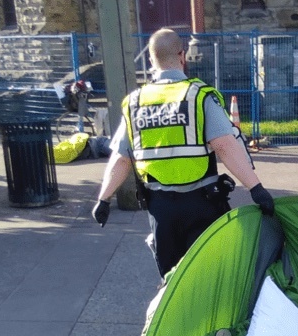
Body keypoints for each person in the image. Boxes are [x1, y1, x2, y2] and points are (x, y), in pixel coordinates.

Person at [92, 28, 274, 278]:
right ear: (182, 55)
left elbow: (121, 158)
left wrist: (104, 199)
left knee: (173, 280)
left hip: (161, 210)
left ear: (151, 60)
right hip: (202, 204)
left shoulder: (136, 103)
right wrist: (256, 188)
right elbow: (225, 146)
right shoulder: (198, 96)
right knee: (210, 276)